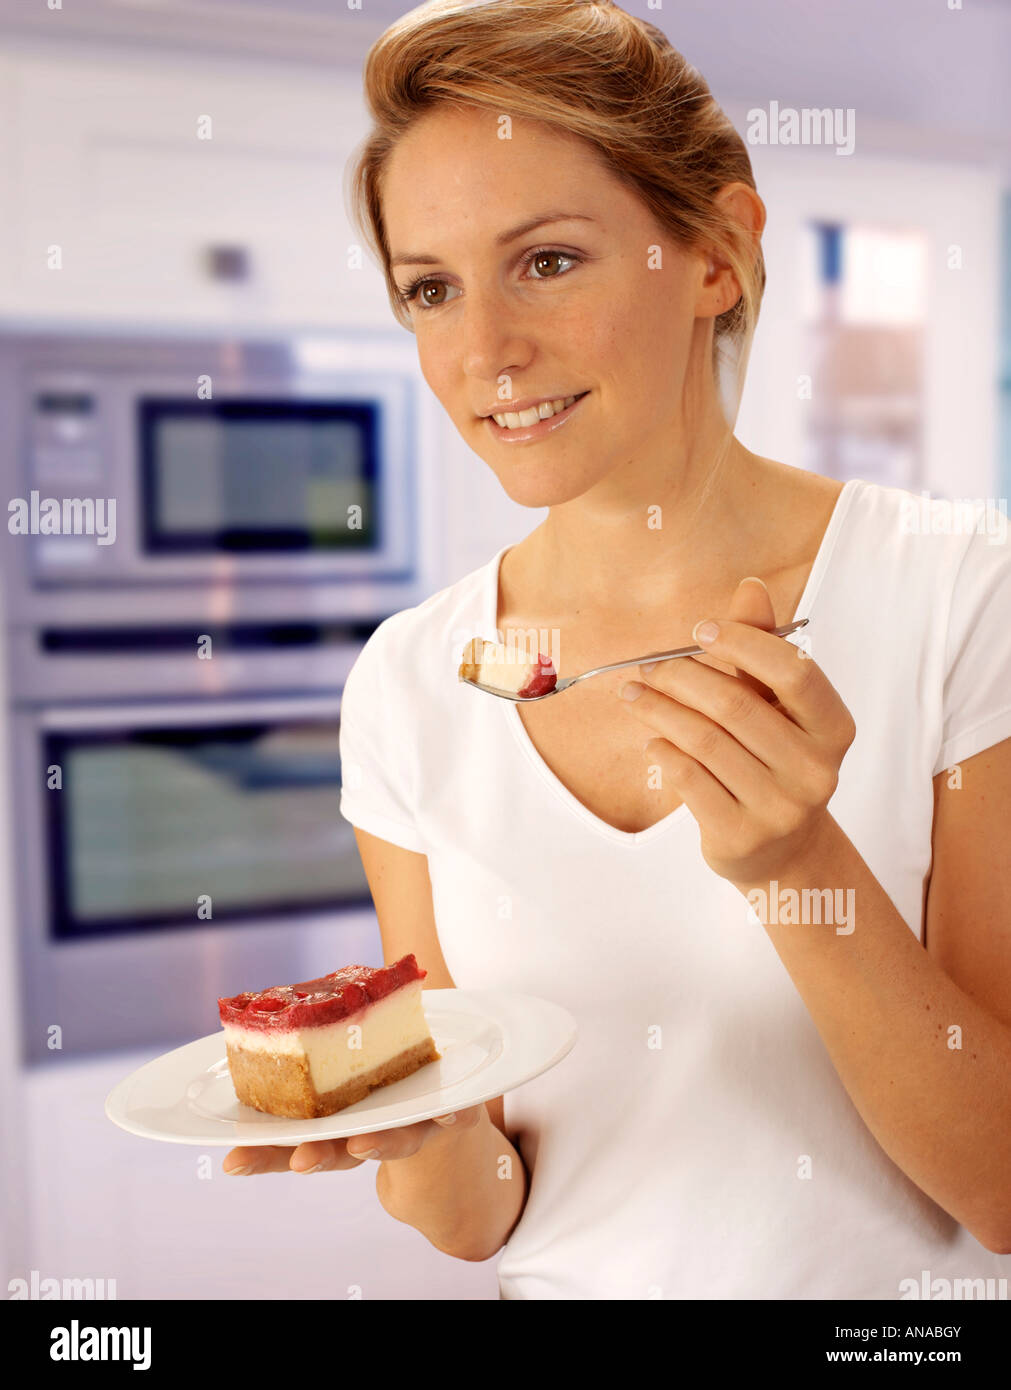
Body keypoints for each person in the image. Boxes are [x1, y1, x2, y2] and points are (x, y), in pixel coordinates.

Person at [224, 0, 1011, 1300]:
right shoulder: (412, 685)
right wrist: (423, 1131)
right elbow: (487, 1215)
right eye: (430, 287)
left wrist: (796, 865)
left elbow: (998, 1190)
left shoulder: (959, 595)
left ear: (715, 251)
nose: (484, 352)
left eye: (545, 261)